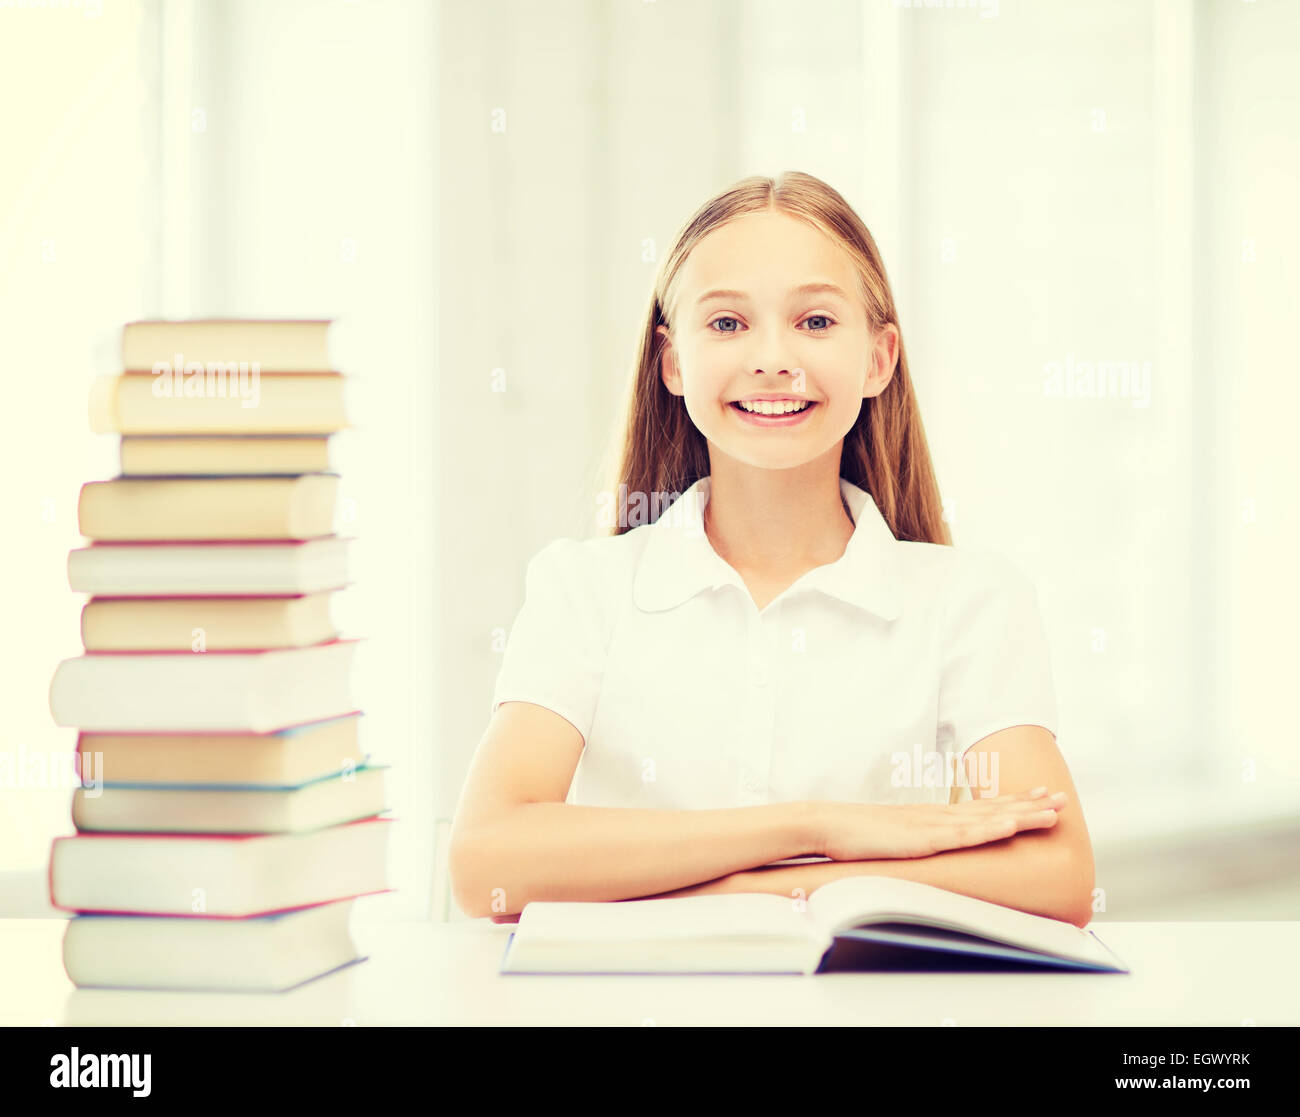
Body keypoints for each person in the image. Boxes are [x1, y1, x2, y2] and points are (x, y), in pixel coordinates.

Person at [450, 171, 1094, 928]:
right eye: (727, 324)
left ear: (879, 359)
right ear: (674, 360)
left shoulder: (973, 601)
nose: (772, 358)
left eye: (816, 321)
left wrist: (729, 887)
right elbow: (486, 859)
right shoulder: (581, 589)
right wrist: (813, 827)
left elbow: (1058, 875)